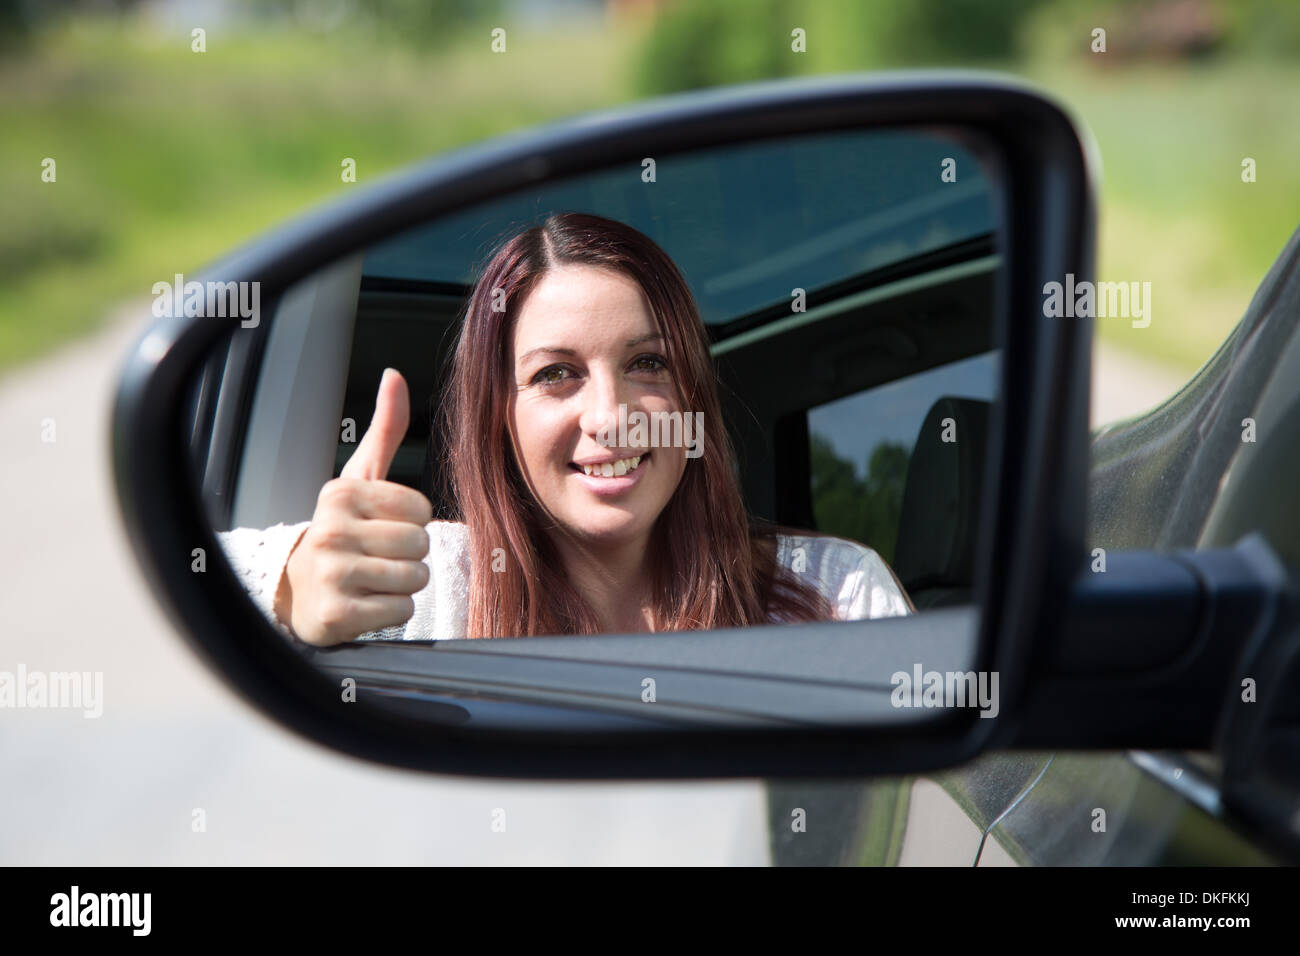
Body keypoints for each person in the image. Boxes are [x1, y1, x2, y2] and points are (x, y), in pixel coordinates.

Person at [219, 212, 913, 644]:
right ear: (500, 421)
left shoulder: (836, 594)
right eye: (556, 374)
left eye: (648, 363)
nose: (610, 417)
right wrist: (294, 587)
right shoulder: (413, 580)